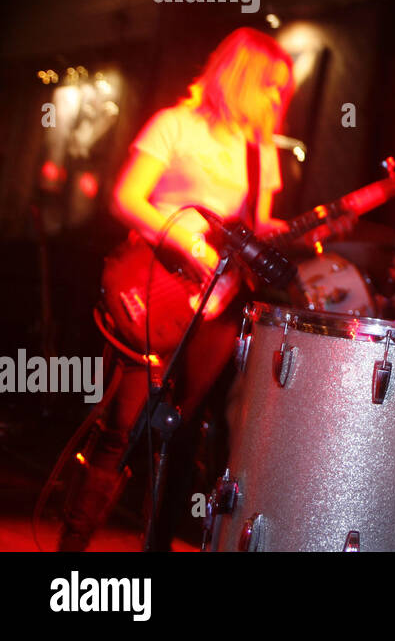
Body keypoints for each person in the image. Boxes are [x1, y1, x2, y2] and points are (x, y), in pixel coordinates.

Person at [60, 27, 316, 550]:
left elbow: (257, 226)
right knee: (121, 430)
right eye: (270, 86)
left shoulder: (259, 149)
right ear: (241, 77)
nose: (277, 99)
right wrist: (188, 242)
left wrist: (313, 226)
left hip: (218, 303)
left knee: (182, 432)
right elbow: (127, 197)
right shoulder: (174, 125)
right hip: (156, 286)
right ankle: (72, 548)